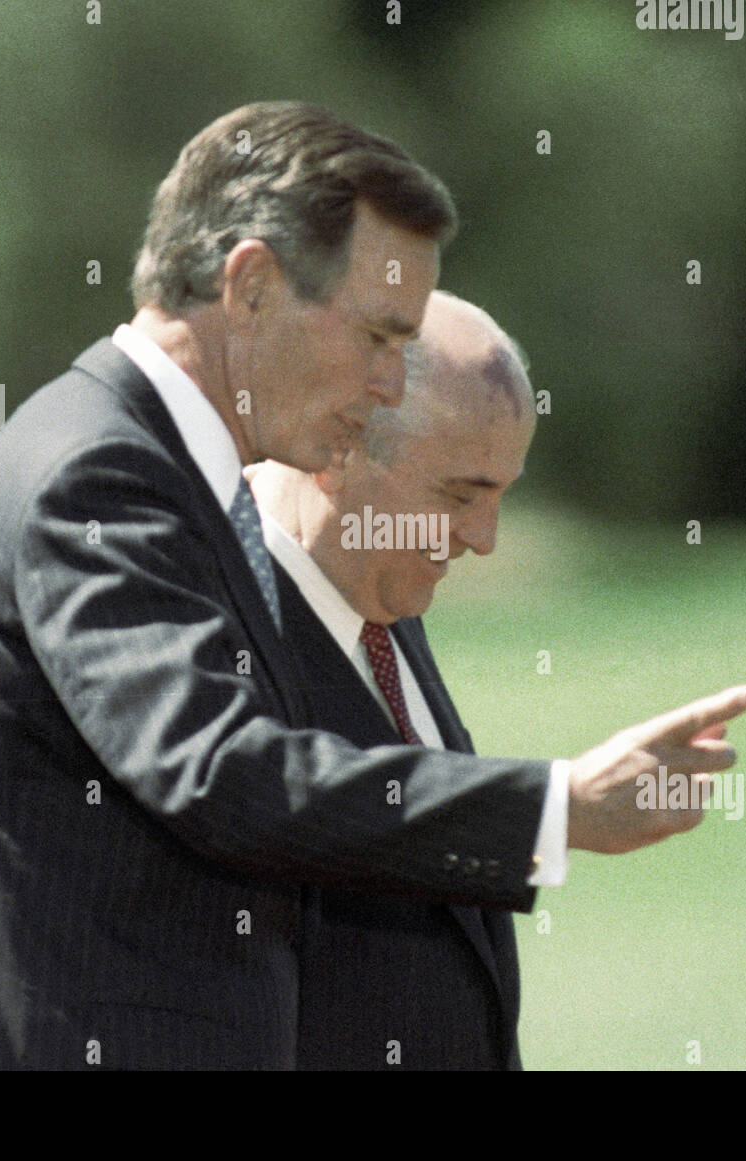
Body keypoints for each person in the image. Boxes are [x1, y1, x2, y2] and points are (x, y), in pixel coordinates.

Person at [0, 101, 746, 1070]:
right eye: (377, 337)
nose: (389, 384)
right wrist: (556, 807)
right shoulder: (97, 472)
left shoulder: (177, 481)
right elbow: (219, 772)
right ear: (250, 286)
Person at [250, 290, 539, 1068]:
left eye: (501, 495)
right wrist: (559, 811)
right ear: (337, 450)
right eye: (459, 495)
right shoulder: (209, 641)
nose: (485, 538)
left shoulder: (383, 594)